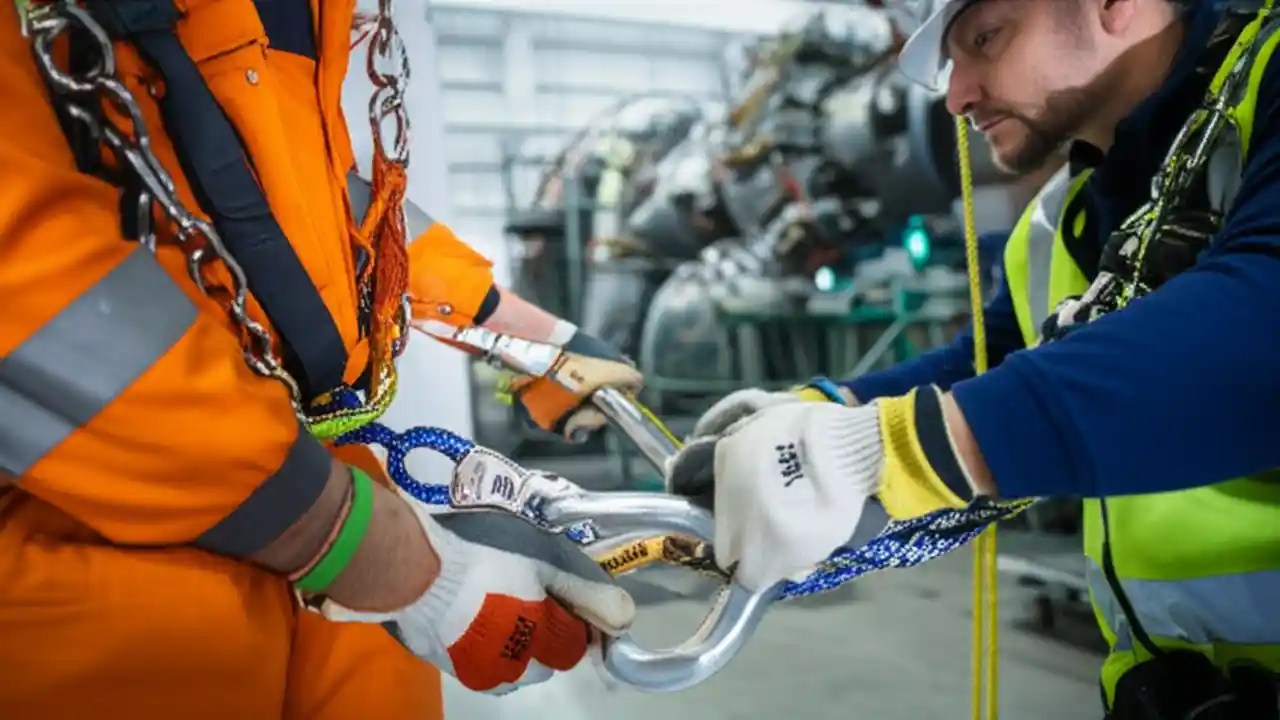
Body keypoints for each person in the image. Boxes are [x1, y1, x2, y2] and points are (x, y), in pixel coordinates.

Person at [0, 1, 641, 718]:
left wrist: (529, 334)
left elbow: (304, 199)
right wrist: (361, 546)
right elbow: (23, 283)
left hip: (311, 500)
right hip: (102, 540)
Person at [669, 0, 1280, 716]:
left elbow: (1262, 319)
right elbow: (989, 366)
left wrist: (894, 451)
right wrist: (822, 412)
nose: (957, 97)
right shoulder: (1063, 220)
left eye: (987, 39)